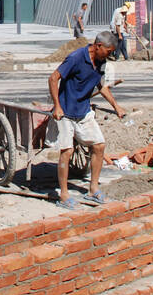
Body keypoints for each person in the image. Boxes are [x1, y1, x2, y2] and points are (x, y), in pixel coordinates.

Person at [48, 31, 127, 208]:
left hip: (83, 111)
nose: (109, 55)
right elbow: (53, 78)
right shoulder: (76, 58)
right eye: (108, 51)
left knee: (99, 145)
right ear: (98, 46)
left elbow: (101, 85)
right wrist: (57, 106)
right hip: (66, 112)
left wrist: (116, 106)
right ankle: (64, 195)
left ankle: (93, 190)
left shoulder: (101, 62)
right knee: (67, 152)